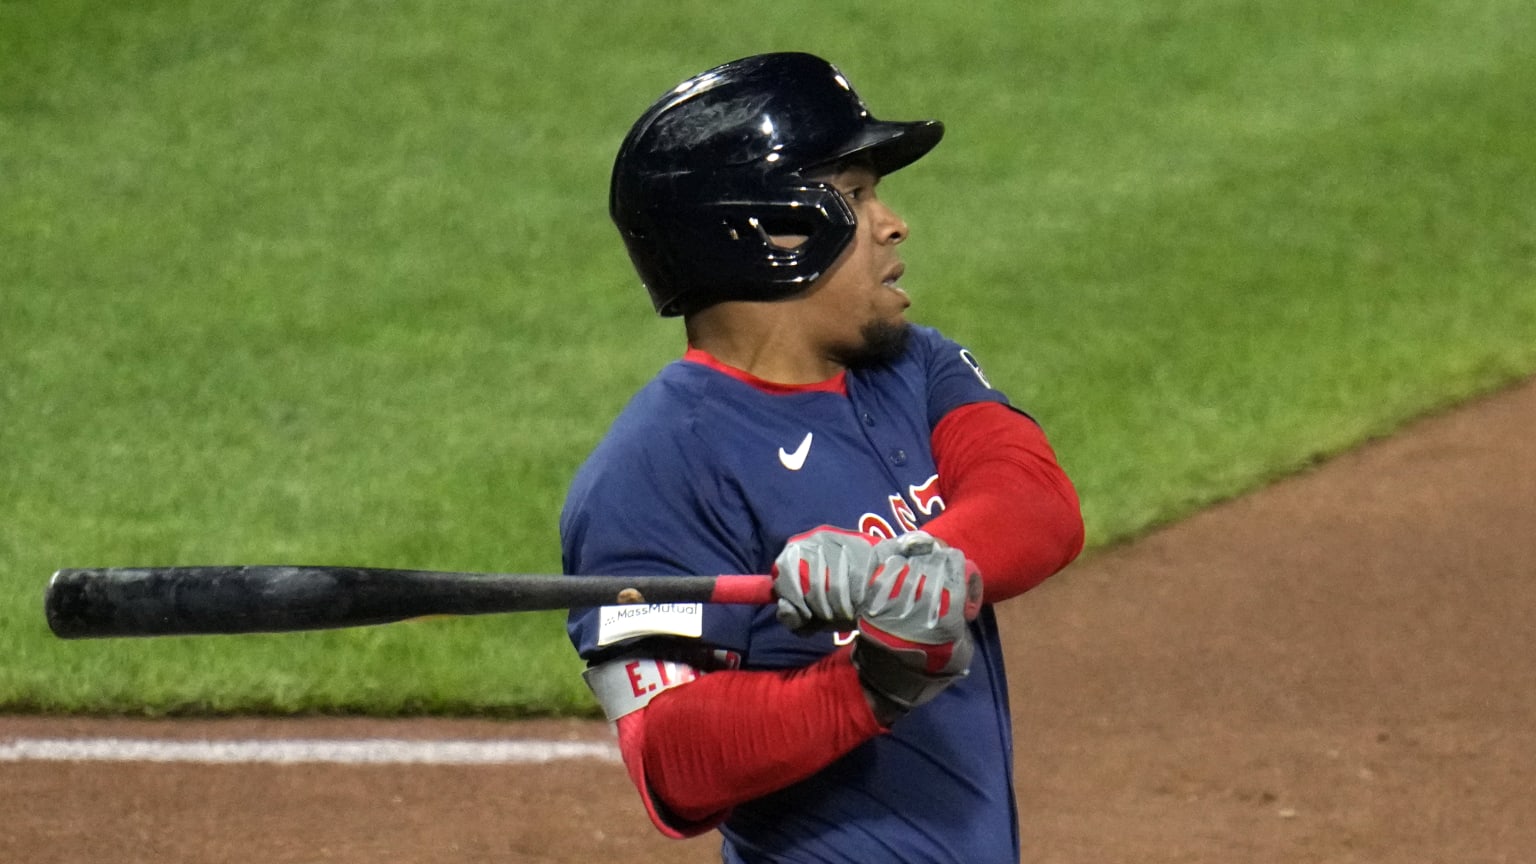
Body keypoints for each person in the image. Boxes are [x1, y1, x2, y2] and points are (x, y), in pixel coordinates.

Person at [562, 52, 1085, 864]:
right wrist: (872, 682)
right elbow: (672, 761)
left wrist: (912, 565)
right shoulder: (651, 472)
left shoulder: (912, 368)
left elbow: (1037, 501)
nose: (892, 222)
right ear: (769, 230)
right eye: (854, 194)